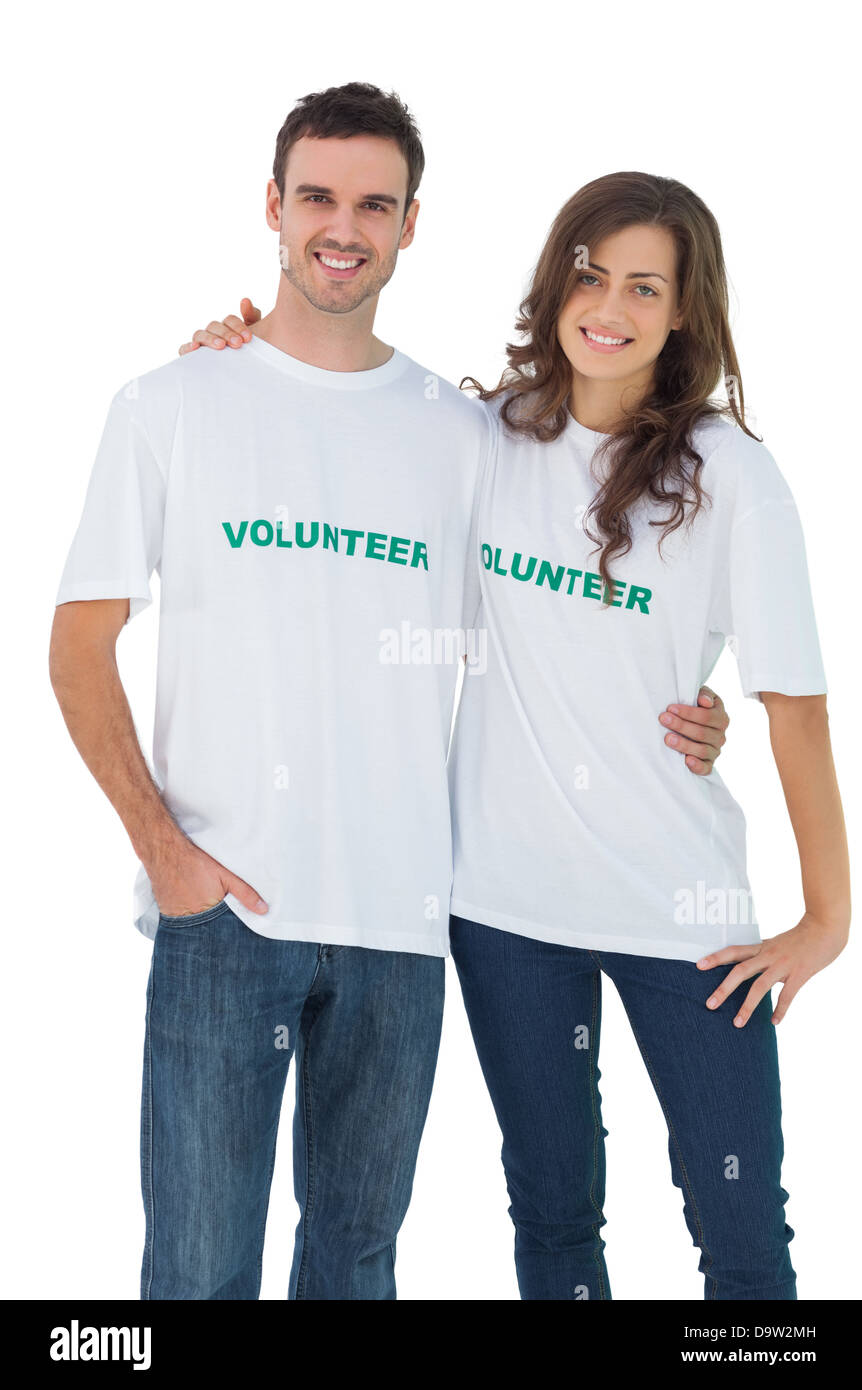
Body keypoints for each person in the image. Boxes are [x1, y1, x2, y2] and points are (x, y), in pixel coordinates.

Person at [190, 170, 848, 1301]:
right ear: (555, 284)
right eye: (589, 275)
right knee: (551, 1214)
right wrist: (248, 354)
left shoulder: (735, 478)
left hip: (678, 913)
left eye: (645, 287)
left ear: (684, 310)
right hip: (502, 910)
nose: (609, 305)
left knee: (739, 1227)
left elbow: (792, 702)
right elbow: (343, 427)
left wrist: (825, 919)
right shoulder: (483, 437)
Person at [50, 81, 493, 1302]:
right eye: (316, 197)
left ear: (410, 224)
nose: (340, 227)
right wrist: (167, 852)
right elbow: (76, 644)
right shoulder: (171, 404)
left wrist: (696, 704)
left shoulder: (463, 436)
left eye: (372, 203)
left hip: (402, 925)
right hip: (223, 914)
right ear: (272, 207)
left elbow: (542, 634)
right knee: (194, 1276)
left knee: (354, 1268)